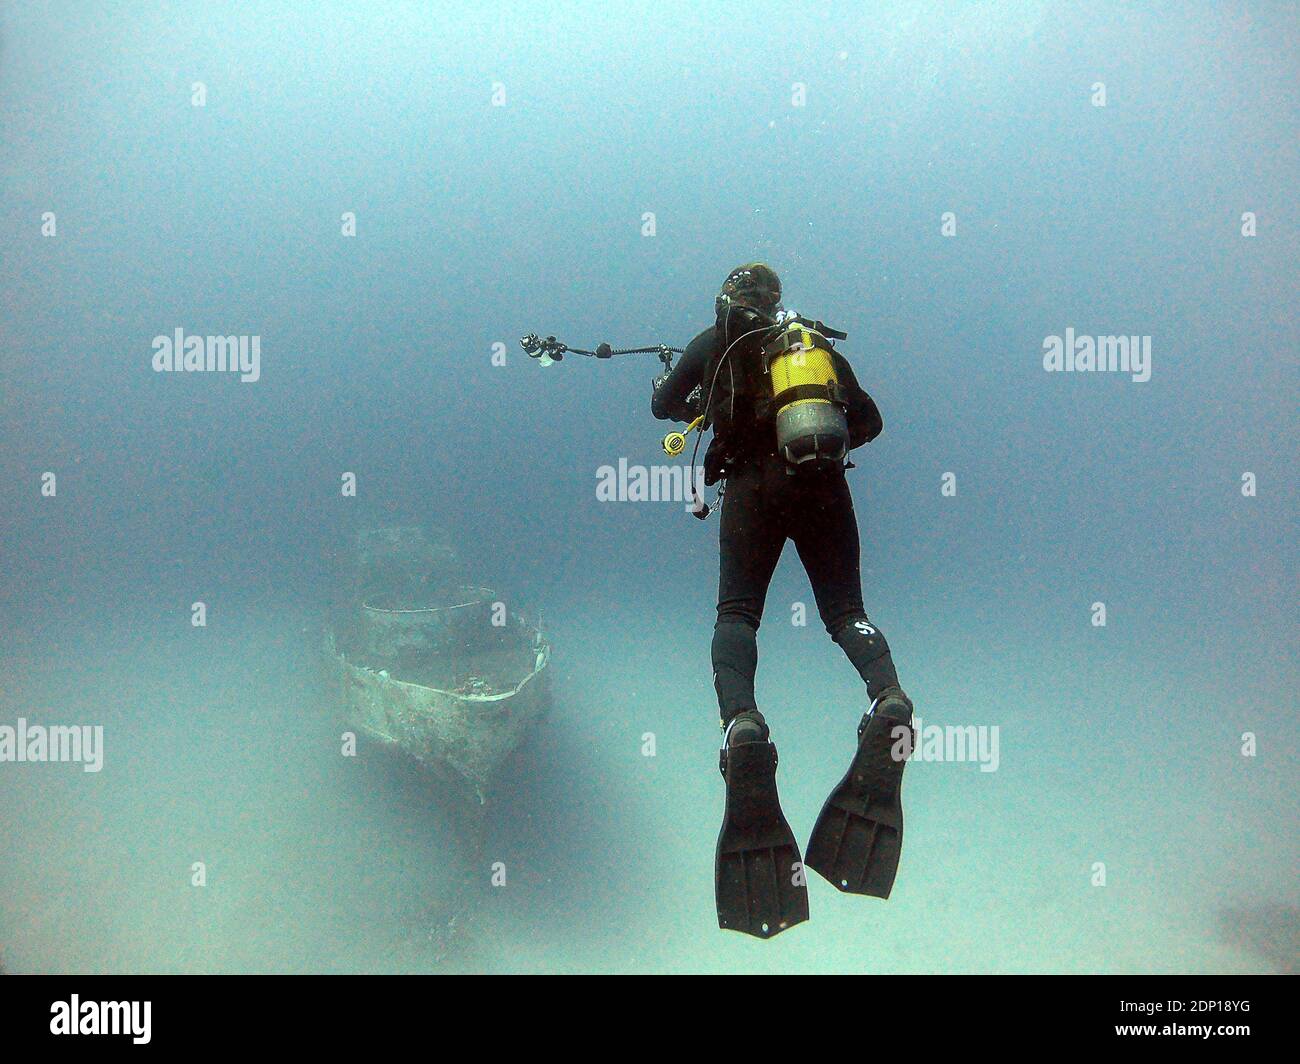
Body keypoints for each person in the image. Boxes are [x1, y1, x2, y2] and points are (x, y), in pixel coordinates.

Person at [651, 263, 916, 938]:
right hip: (822, 484)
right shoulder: (812, 346)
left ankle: (742, 724)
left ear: (728, 299)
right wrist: (819, 444)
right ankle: (886, 697)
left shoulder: (714, 342)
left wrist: (687, 396)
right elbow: (874, 422)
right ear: (775, 302)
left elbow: (663, 408)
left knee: (737, 616)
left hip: (750, 492)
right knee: (845, 612)